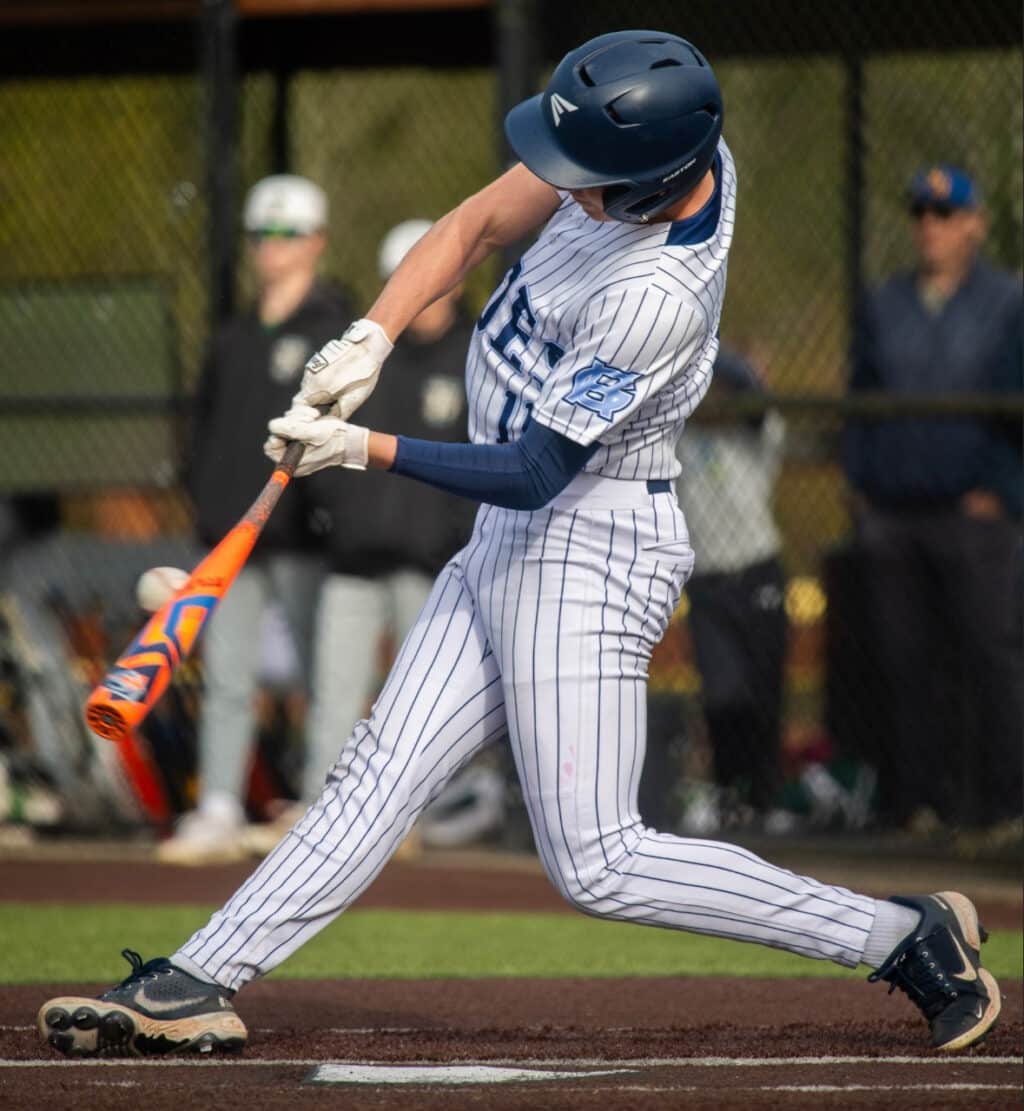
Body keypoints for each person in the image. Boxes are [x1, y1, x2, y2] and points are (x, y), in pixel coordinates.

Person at [38, 31, 999, 1058]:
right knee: (376, 773)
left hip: (588, 545)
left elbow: (539, 468)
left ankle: (900, 935)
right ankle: (198, 977)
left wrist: (361, 447)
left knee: (599, 862)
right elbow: (473, 223)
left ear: (650, 184)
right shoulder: (653, 158)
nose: (560, 185)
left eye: (586, 175)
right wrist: (371, 336)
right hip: (515, 533)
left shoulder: (655, 298)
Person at [250, 219, 482, 850]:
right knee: (333, 692)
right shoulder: (362, 359)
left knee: (422, 701)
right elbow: (320, 440)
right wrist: (337, 515)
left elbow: (486, 459)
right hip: (352, 558)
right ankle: (321, 811)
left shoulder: (476, 356)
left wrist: (451, 538)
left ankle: (407, 818)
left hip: (432, 566)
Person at [157, 175, 353, 864]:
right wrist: (207, 505)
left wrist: (327, 514)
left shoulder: (337, 331)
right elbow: (204, 429)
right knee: (228, 677)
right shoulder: (233, 335)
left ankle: (331, 807)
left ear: (317, 241)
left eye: (287, 233)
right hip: (231, 541)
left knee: (324, 677)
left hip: (305, 540)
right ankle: (217, 806)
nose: (272, 247)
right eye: (261, 234)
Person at [843, 165, 1023, 834]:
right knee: (906, 664)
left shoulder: (1007, 302)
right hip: (894, 512)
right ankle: (921, 805)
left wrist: (1004, 492)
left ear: (974, 224)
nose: (929, 226)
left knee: (991, 657)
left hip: (973, 513)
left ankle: (1007, 808)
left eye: (944, 214)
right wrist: (861, 488)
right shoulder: (885, 303)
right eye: (920, 212)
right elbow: (859, 399)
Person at [671, 348, 790, 835]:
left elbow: (754, 399)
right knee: (721, 693)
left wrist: (738, 371)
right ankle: (730, 794)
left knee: (762, 690)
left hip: (756, 569)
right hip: (708, 578)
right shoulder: (681, 435)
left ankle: (764, 797)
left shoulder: (758, 432)